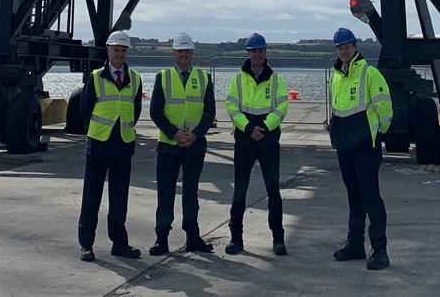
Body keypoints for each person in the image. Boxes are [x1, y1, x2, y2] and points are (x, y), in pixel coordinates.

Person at [327, 27, 393, 271]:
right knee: (354, 197)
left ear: (355, 47)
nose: (344, 51)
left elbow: (384, 108)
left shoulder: (369, 73)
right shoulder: (336, 75)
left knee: (370, 197)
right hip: (345, 146)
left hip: (365, 146)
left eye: (347, 46)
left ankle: (379, 250)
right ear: (337, 50)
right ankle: (355, 244)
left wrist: (376, 133)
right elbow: (337, 108)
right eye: (340, 47)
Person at [77, 29, 143, 263]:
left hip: (123, 144)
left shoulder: (135, 78)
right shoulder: (95, 77)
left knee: (119, 197)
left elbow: (135, 110)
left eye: (123, 50)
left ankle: (119, 243)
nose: (119, 54)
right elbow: (84, 110)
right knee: (91, 196)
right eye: (116, 49)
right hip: (98, 143)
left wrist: (123, 130)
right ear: (108, 50)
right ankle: (86, 244)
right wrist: (97, 131)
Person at [148, 31, 216, 255]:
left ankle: (192, 236)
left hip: (195, 145)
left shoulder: (204, 78)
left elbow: (209, 112)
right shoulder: (163, 77)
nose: (184, 55)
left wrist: (195, 134)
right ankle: (161, 238)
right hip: (169, 145)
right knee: (165, 193)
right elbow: (155, 111)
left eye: (187, 51)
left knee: (191, 193)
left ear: (192, 53)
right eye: (180, 51)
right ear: (174, 53)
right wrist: (174, 134)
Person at [224, 33, 289, 256]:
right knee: (239, 190)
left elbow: (281, 107)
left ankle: (278, 239)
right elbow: (231, 107)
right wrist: (249, 128)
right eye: (254, 51)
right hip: (245, 139)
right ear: (248, 53)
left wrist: (266, 127)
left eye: (260, 50)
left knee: (273, 190)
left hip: (269, 140)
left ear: (265, 52)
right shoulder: (237, 80)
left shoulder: (277, 79)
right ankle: (236, 238)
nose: (257, 54)